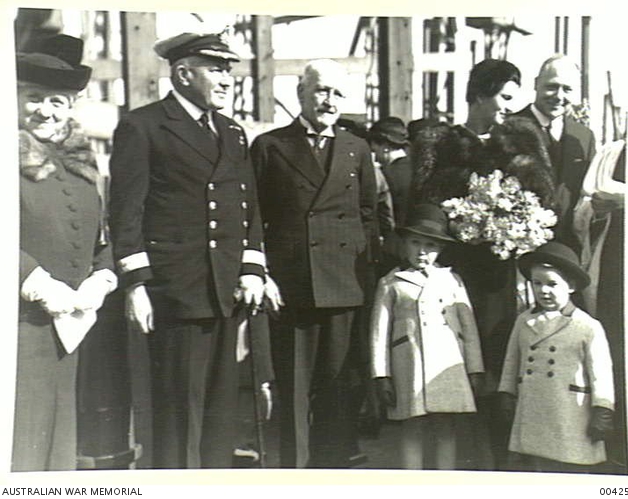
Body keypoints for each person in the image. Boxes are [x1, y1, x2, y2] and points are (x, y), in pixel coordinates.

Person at [108, 32, 268, 469]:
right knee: (177, 417)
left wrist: (252, 269)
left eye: (228, 70)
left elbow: (247, 206)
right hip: (176, 293)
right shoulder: (143, 127)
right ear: (182, 73)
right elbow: (126, 213)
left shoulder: (233, 133)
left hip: (225, 292)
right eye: (216, 69)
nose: (227, 79)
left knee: (220, 416)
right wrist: (136, 285)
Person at [412, 58, 554, 470]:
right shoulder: (441, 143)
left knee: (497, 360)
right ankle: (459, 461)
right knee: (454, 362)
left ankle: (499, 460)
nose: (511, 107)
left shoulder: (522, 141)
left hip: (501, 273)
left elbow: (545, 203)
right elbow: (423, 207)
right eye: (504, 97)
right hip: (454, 272)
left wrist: (518, 231)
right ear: (478, 95)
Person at [250, 59, 377, 468]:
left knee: (338, 389)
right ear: (301, 94)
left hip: (343, 285)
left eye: (338, 93)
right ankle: (293, 477)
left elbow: (368, 213)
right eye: (322, 91)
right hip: (292, 286)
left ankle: (332, 475)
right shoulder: (270, 146)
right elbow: (253, 217)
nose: (330, 100)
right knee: (293, 389)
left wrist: (363, 274)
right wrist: (262, 273)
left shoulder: (357, 149)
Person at [15, 34, 117, 471]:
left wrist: (103, 276)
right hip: (17, 327)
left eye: (57, 101)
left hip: (69, 327)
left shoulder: (82, 163)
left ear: (71, 106)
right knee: (21, 440)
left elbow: (101, 236)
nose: (45, 111)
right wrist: (35, 281)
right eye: (33, 98)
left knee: (59, 443)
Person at [370, 203, 484, 470]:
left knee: (446, 425)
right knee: (413, 426)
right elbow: (379, 332)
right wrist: (381, 374)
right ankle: (414, 484)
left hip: (447, 364)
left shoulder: (452, 280)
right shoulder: (391, 282)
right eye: (415, 243)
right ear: (404, 244)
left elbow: (469, 329)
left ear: (440, 249)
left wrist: (475, 368)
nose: (422, 252)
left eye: (430, 246)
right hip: (410, 364)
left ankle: (445, 481)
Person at [498, 241, 615, 473]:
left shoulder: (587, 326)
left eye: (552, 284)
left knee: (570, 466)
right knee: (537, 465)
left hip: (570, 411)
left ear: (571, 285)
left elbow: (601, 372)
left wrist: (603, 408)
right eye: (537, 283)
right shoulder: (524, 321)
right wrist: (506, 392)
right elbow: (512, 361)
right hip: (532, 407)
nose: (543, 291)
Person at [514, 54, 597, 253]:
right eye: (552, 86)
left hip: (566, 248)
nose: (559, 96)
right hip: (518, 247)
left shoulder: (584, 137)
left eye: (567, 89)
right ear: (536, 84)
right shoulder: (510, 129)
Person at [368, 116, 412, 274]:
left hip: (393, 246)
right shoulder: (417, 169)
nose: (375, 156)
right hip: (417, 245)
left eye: (375, 150)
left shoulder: (384, 175)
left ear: (385, 145)